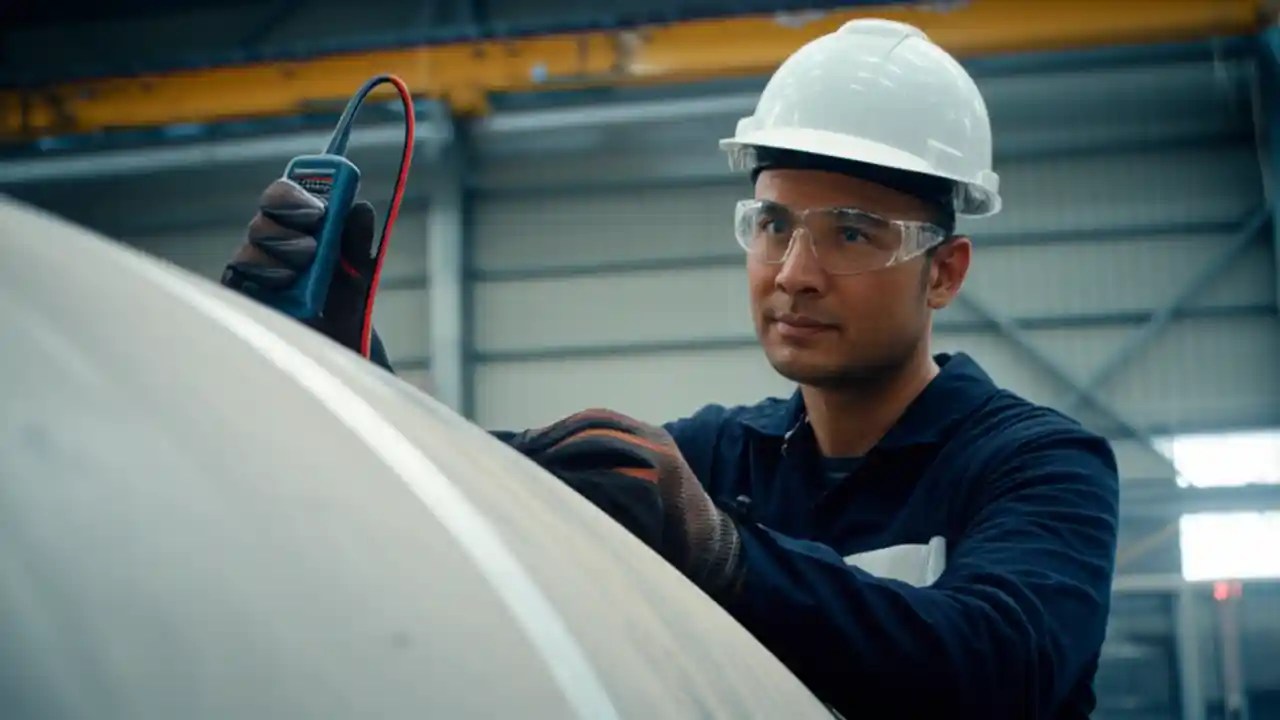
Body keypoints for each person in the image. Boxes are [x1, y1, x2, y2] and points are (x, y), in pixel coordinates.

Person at [221, 18, 1120, 719]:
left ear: (945, 272)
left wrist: (728, 556)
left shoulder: (1037, 466)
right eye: (772, 224)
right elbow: (489, 488)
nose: (795, 271)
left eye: (851, 232)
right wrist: (341, 363)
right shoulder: (720, 459)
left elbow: (998, 673)